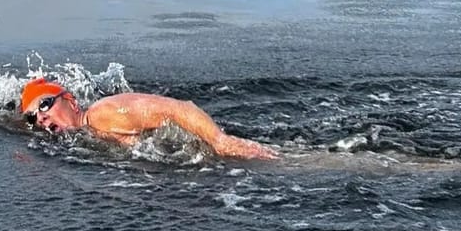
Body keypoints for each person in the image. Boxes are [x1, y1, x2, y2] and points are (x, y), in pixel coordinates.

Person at [20, 77, 278, 160]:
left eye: (45, 105)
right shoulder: (89, 132)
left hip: (214, 153)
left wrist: (220, 141)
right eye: (32, 118)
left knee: (288, 164)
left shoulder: (103, 114)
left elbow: (179, 109)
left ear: (72, 101)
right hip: (192, 157)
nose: (41, 118)